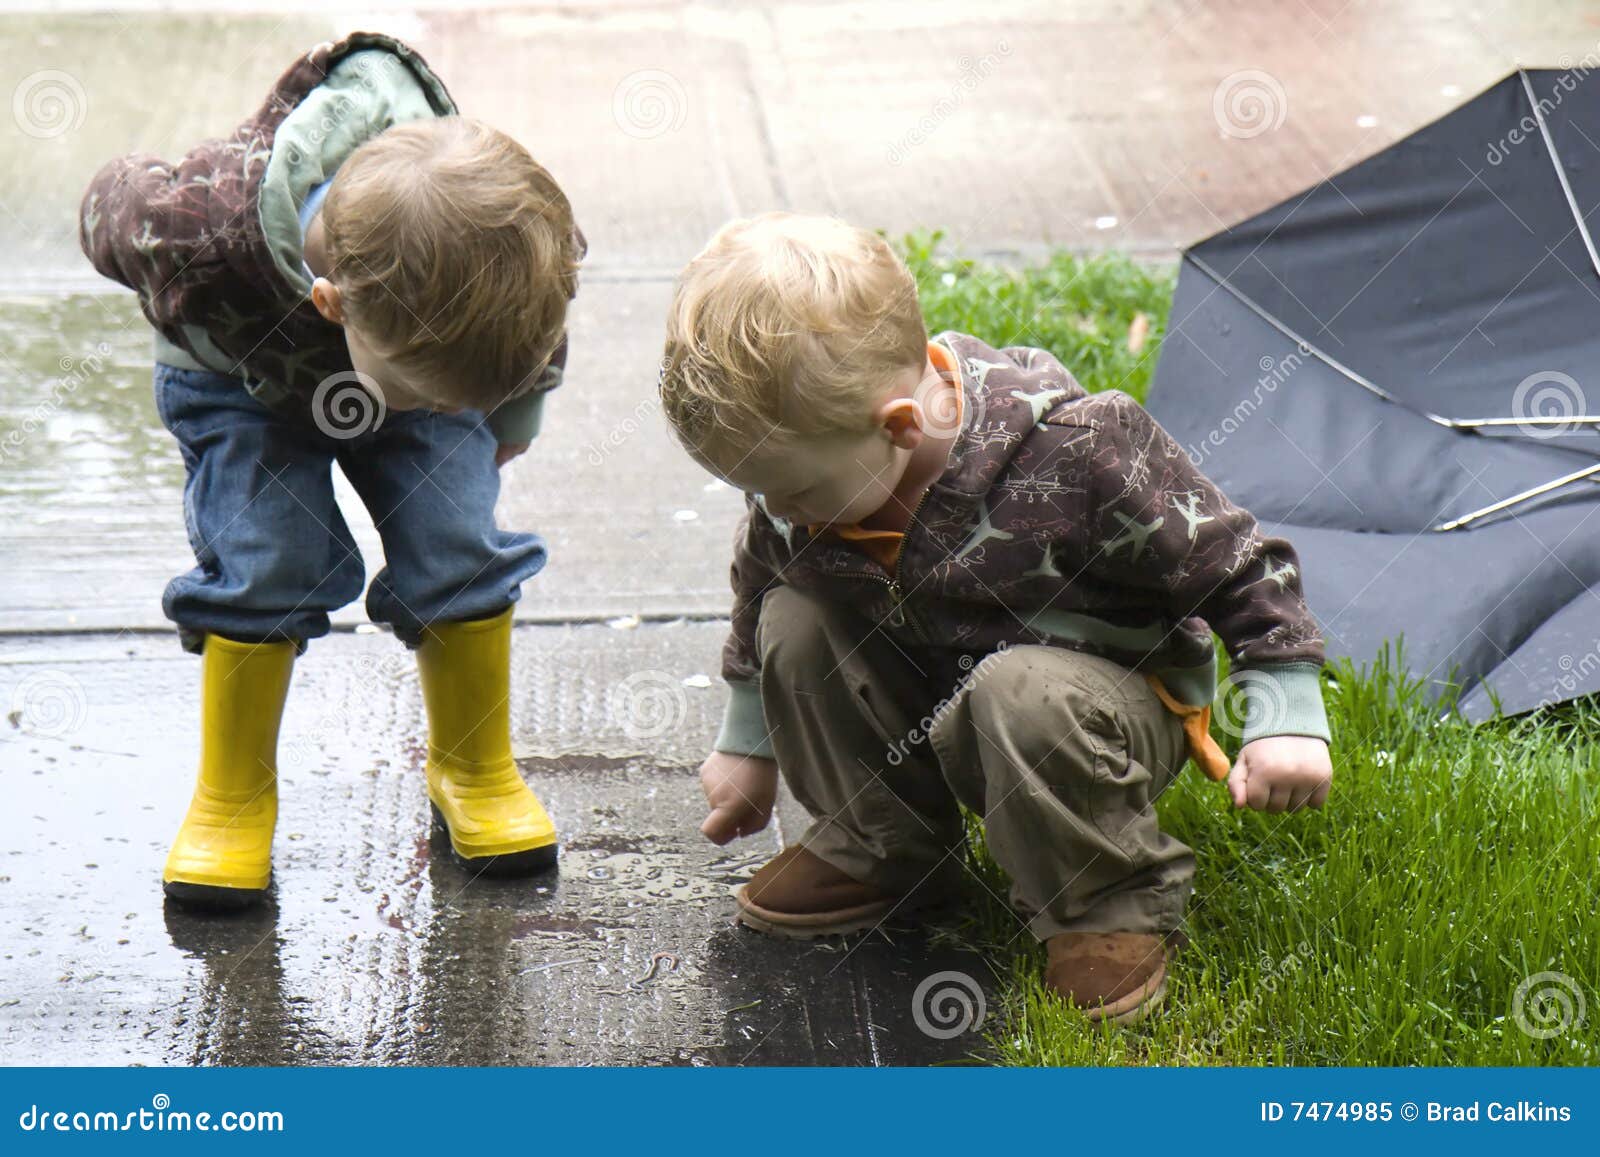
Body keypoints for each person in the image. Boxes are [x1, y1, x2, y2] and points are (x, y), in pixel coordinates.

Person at [656, 212, 1334, 1024]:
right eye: (756, 489)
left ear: (900, 426)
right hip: (933, 683)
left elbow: (1238, 561)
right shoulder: (809, 485)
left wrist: (1286, 712)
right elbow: (760, 580)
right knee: (794, 618)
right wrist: (746, 742)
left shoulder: (1080, 451)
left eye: (791, 490)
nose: (776, 510)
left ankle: (1102, 900)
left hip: (1097, 706)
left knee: (1019, 689)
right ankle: (882, 847)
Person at [78, 33, 585, 908]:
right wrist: (139, 239)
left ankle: (472, 767)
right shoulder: (200, 230)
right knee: (265, 553)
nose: (440, 412)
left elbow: (527, 325)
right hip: (239, 371)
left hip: (403, 344)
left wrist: (509, 408)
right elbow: (111, 202)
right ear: (332, 303)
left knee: (456, 531)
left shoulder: (499, 234)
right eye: (435, 395)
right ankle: (232, 796)